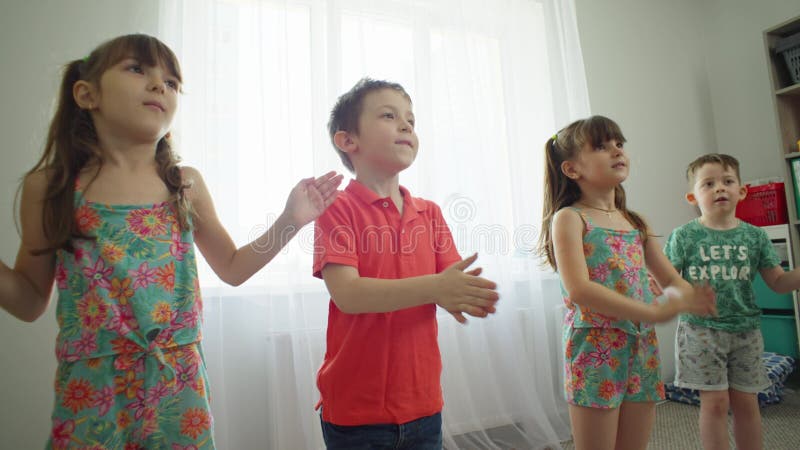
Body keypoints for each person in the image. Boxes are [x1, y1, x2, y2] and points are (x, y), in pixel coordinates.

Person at [0, 34, 342, 449]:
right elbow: (29, 299)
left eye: (172, 81)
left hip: (179, 387)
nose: (159, 84)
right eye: (136, 69)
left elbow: (232, 268)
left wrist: (291, 219)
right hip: (92, 391)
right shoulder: (52, 187)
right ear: (87, 94)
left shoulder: (183, 184)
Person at [312, 78, 499, 449]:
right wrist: (438, 288)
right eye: (388, 115)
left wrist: (466, 295)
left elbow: (449, 285)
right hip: (355, 414)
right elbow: (348, 294)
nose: (406, 126)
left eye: (411, 121)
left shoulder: (429, 213)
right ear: (349, 141)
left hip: (423, 406)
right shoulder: (335, 207)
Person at [537, 115, 716, 450]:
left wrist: (688, 297)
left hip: (641, 345)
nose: (617, 151)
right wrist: (651, 312)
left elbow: (670, 279)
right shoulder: (569, 218)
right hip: (594, 347)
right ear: (572, 169)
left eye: (619, 143)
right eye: (602, 146)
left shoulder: (635, 222)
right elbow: (580, 290)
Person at [665, 153, 800, 450]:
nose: (719, 189)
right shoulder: (683, 237)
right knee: (714, 404)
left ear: (742, 191)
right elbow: (667, 281)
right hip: (700, 332)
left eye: (727, 182)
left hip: (745, 332)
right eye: (708, 184)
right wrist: (674, 296)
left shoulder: (755, 237)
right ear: (692, 196)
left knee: (747, 404)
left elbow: (778, 282)